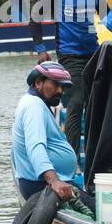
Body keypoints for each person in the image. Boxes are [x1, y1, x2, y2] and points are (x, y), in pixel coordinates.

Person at [31, 0, 105, 156]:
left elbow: (107, 17)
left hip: (94, 53)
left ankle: (94, 154)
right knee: (76, 102)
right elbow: (34, 20)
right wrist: (40, 49)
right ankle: (71, 159)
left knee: (95, 103)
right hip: (69, 53)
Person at [12, 62, 81, 202]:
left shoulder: (33, 102)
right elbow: (35, 146)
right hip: (42, 186)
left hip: (45, 183)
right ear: (38, 83)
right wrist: (54, 181)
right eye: (56, 84)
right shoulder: (34, 107)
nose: (60, 91)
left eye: (63, 87)